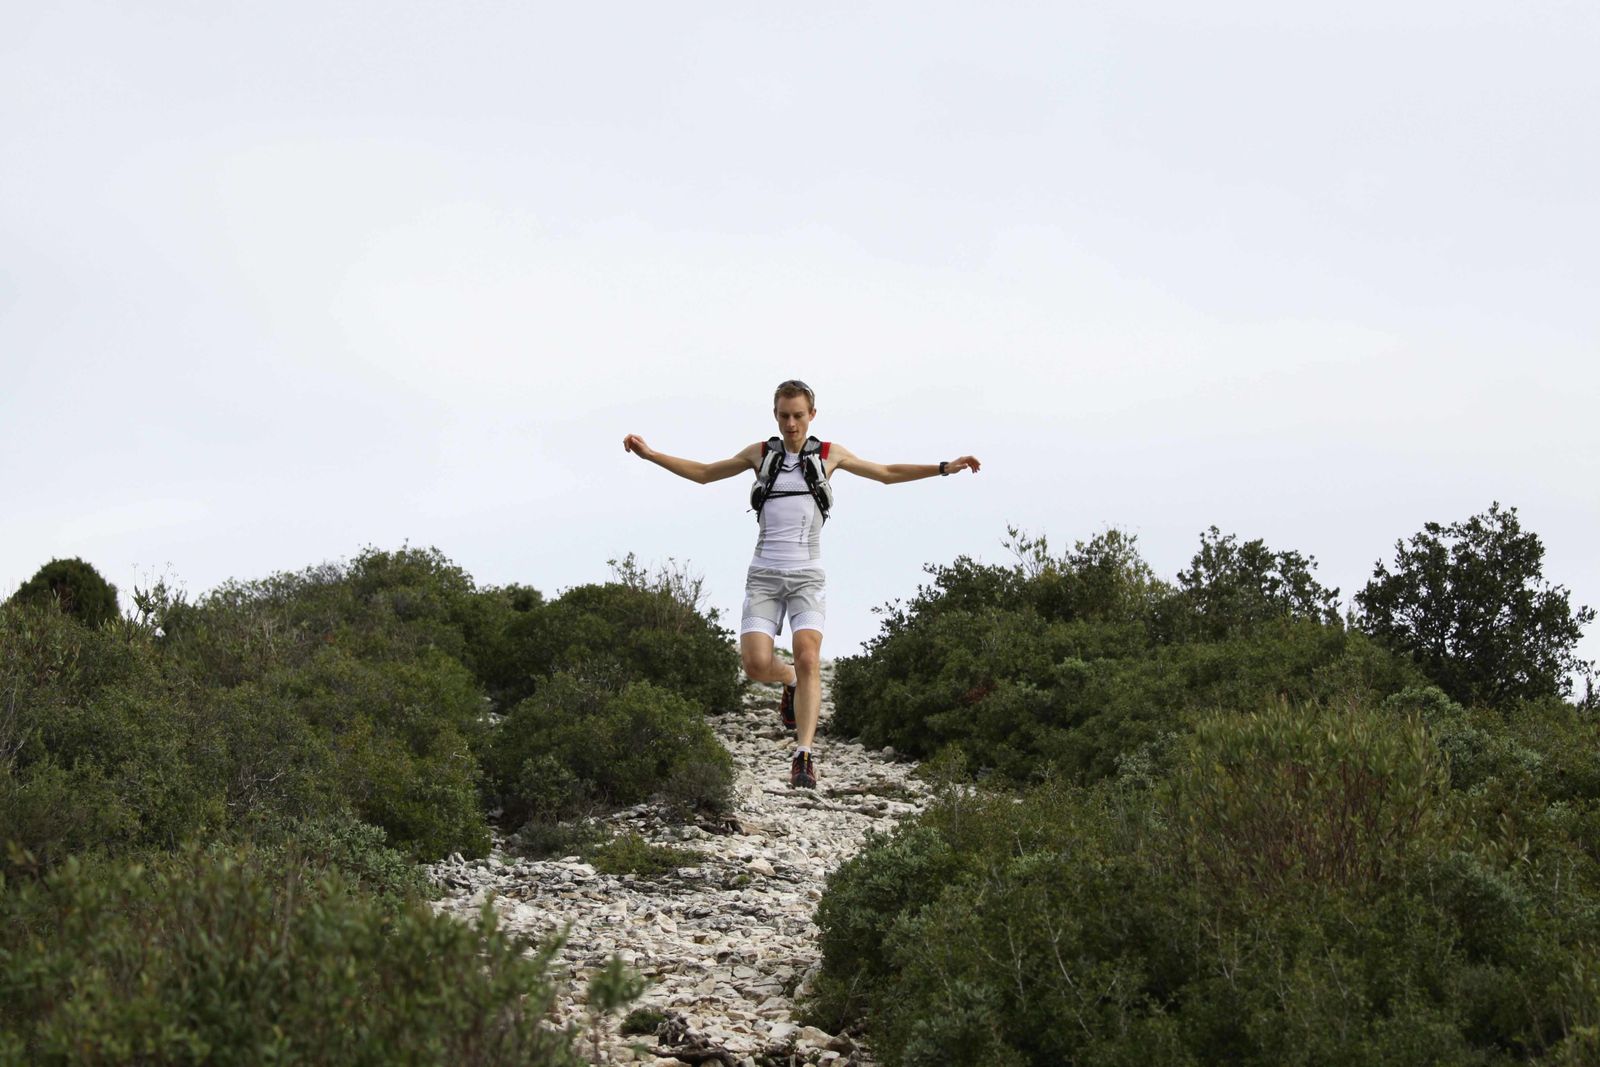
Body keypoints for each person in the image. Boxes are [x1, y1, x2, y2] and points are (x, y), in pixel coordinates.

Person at [622, 379, 981, 789]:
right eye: (783, 416)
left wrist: (942, 468)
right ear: (775, 416)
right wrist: (650, 455)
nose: (791, 424)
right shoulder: (761, 455)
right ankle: (788, 680)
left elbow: (884, 473)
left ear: (812, 414)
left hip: (807, 576)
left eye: (798, 415)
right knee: (756, 666)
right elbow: (704, 473)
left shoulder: (829, 455)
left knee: (810, 655)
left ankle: (804, 754)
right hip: (764, 576)